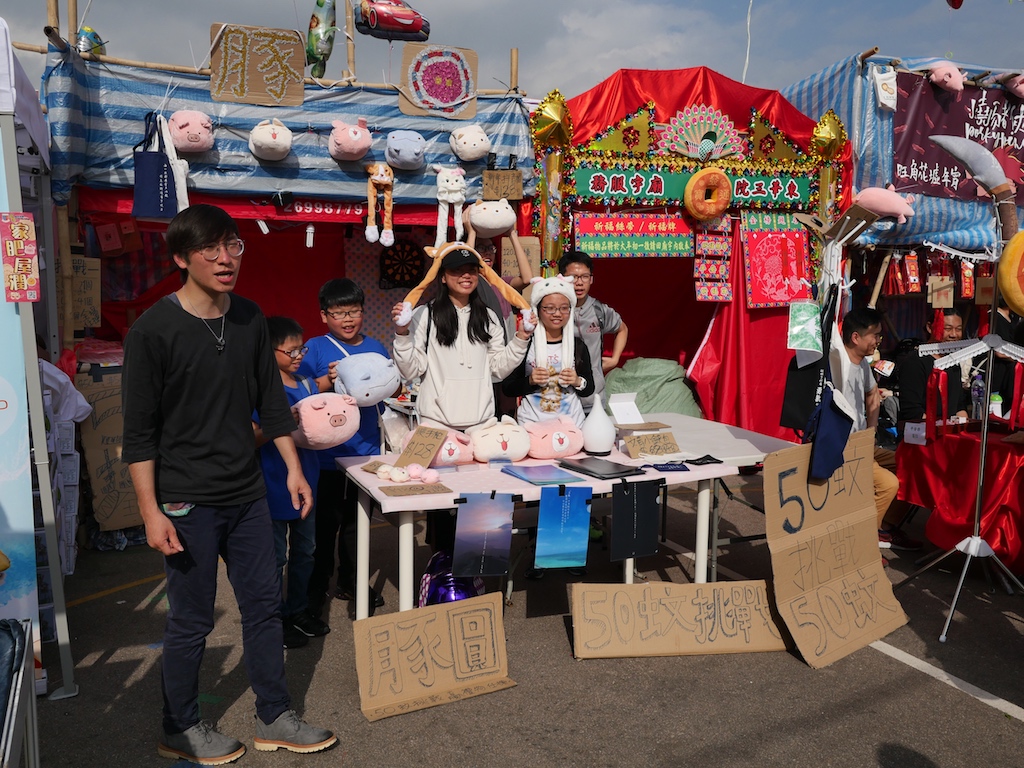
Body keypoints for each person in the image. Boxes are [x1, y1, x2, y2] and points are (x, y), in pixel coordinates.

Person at [122, 204, 336, 764]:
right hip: (186, 499)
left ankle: (275, 715)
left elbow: (271, 403)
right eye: (210, 249)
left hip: (246, 495)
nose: (226, 259)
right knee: (191, 619)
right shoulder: (153, 331)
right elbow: (139, 434)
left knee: (264, 607)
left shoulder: (248, 317)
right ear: (180, 259)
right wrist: (150, 513)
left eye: (234, 245)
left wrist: (291, 467)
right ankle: (180, 726)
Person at [392, 242, 533, 550]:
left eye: (471, 271)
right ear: (442, 276)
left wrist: (522, 338)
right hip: (438, 427)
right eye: (456, 271)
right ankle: (443, 576)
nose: (465, 277)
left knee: (483, 511)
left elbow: (498, 370)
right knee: (442, 509)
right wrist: (401, 334)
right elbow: (411, 369)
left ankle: (482, 580)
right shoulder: (423, 315)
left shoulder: (490, 317)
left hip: (481, 427)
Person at [298, 278, 392, 618]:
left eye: (353, 311)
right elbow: (300, 394)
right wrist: (327, 380)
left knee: (357, 524)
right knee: (323, 527)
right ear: (324, 316)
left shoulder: (377, 348)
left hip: (364, 453)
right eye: (338, 313)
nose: (347, 319)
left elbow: (387, 389)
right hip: (324, 457)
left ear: (363, 312)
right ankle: (317, 586)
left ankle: (351, 581)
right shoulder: (315, 348)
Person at [254, 316, 329, 649]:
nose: (299, 355)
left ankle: (296, 609)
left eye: (302, 347)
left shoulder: (308, 383)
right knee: (274, 559)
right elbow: (251, 439)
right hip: (271, 485)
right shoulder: (260, 389)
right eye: (291, 350)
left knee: (305, 552)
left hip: (307, 481)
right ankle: (273, 620)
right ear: (269, 351)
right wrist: (279, 422)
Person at [830, 306, 922, 553]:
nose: (879, 340)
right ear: (855, 337)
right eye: (875, 335)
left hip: (861, 443)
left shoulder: (861, 364)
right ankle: (864, 540)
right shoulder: (836, 363)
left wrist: (870, 431)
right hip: (842, 448)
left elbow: (872, 394)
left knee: (910, 467)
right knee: (889, 484)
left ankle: (886, 527)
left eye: (880, 335)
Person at [502, 275, 596, 429]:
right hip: (532, 426)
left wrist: (577, 381)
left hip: (571, 425)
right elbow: (508, 388)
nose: (557, 314)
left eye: (564, 308)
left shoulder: (577, 345)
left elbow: (589, 389)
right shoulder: (526, 344)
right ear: (538, 309)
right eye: (550, 308)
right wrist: (530, 381)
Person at [464, 218, 535, 417]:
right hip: (481, 353)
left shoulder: (501, 282)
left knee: (505, 407)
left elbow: (527, 278)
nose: (486, 253)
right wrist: (470, 233)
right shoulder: (468, 283)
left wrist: (512, 234)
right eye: (480, 248)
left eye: (490, 249)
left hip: (507, 351)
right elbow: (465, 262)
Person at [558, 250, 628, 412]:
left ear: (591, 279)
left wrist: (615, 359)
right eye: (573, 277)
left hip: (593, 397)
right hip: (560, 396)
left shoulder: (599, 310)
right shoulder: (553, 309)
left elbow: (622, 329)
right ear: (562, 278)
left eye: (584, 277)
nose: (579, 283)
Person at [897, 308, 970, 424]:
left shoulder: (954, 361)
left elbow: (959, 406)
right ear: (930, 328)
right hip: (923, 432)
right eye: (947, 329)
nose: (954, 334)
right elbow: (912, 410)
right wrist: (938, 428)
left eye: (959, 329)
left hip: (949, 432)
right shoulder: (915, 362)